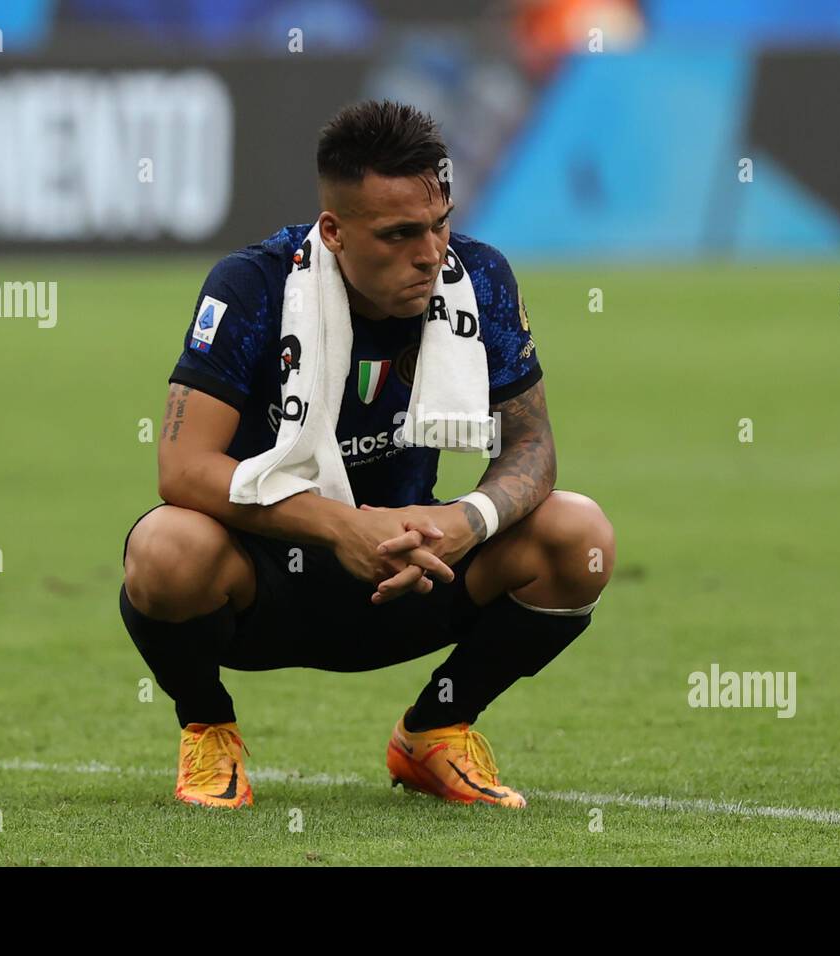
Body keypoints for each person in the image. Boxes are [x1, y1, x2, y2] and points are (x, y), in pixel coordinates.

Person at [119, 99, 615, 809]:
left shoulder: (480, 278)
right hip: (267, 580)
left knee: (581, 536)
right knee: (166, 548)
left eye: (440, 224)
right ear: (334, 232)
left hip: (417, 568)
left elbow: (531, 444)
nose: (431, 252)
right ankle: (208, 727)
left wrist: (468, 520)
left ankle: (436, 730)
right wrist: (340, 527)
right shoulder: (251, 287)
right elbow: (183, 468)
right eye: (400, 234)